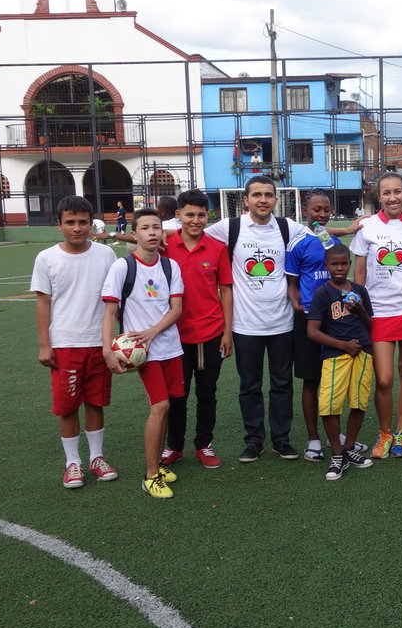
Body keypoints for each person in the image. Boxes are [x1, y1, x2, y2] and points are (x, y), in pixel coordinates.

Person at [205, 176, 309, 463]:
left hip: (282, 322)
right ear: (246, 200)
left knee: (282, 383)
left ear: (276, 199)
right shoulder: (230, 227)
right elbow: (192, 236)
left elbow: (320, 238)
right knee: (249, 385)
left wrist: (349, 228)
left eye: (268, 195)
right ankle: (253, 441)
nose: (263, 200)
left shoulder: (289, 227)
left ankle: (281, 439)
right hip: (245, 324)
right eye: (257, 195)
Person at [31, 196, 119, 489]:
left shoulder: (106, 256)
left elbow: (114, 301)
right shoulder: (46, 258)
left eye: (83, 222)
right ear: (59, 225)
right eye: (70, 222)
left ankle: (96, 458)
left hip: (99, 343)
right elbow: (43, 303)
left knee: (96, 402)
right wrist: (45, 344)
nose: (77, 228)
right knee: (67, 407)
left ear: (91, 224)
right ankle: (73, 463)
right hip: (65, 344)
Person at [101, 207, 184, 498]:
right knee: (159, 407)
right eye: (146, 228)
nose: (152, 232)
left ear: (163, 232)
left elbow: (177, 309)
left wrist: (153, 331)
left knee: (168, 407)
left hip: (171, 347)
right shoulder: (123, 267)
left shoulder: (171, 266)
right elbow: (110, 312)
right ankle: (150, 476)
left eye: (157, 227)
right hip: (143, 353)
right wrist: (107, 351)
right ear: (134, 235)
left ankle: (159, 464)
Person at [352, 172, 402, 459]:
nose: (393, 197)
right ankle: (384, 433)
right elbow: (359, 275)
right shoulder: (367, 227)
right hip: (379, 314)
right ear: (379, 196)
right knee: (384, 379)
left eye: (397, 191)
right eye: (386, 193)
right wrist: (360, 312)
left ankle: (400, 433)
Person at [286, 189, 368, 462]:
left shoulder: (329, 240)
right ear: (306, 209)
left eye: (325, 210)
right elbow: (292, 281)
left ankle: (338, 437)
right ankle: (313, 440)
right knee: (312, 380)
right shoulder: (297, 242)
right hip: (311, 318)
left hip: (337, 318)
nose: (321, 214)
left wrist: (348, 229)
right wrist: (296, 302)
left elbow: (329, 235)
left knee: (337, 380)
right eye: (316, 210)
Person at [161, 189, 233, 471]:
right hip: (173, 336)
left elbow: (226, 290)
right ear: (178, 215)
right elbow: (137, 245)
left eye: (201, 215)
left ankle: (203, 445)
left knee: (207, 393)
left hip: (210, 333)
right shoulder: (166, 245)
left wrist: (227, 332)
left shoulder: (217, 248)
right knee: (176, 395)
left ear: (208, 216)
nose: (196, 220)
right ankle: (174, 446)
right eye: (189, 214)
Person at [306, 244, 376, 480]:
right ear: (326, 266)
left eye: (344, 263)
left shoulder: (359, 290)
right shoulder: (322, 293)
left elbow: (370, 325)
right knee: (329, 404)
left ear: (350, 263)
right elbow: (312, 332)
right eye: (334, 264)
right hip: (336, 355)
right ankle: (337, 452)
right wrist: (343, 345)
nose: (339, 268)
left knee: (358, 402)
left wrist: (361, 312)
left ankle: (349, 448)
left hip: (363, 352)